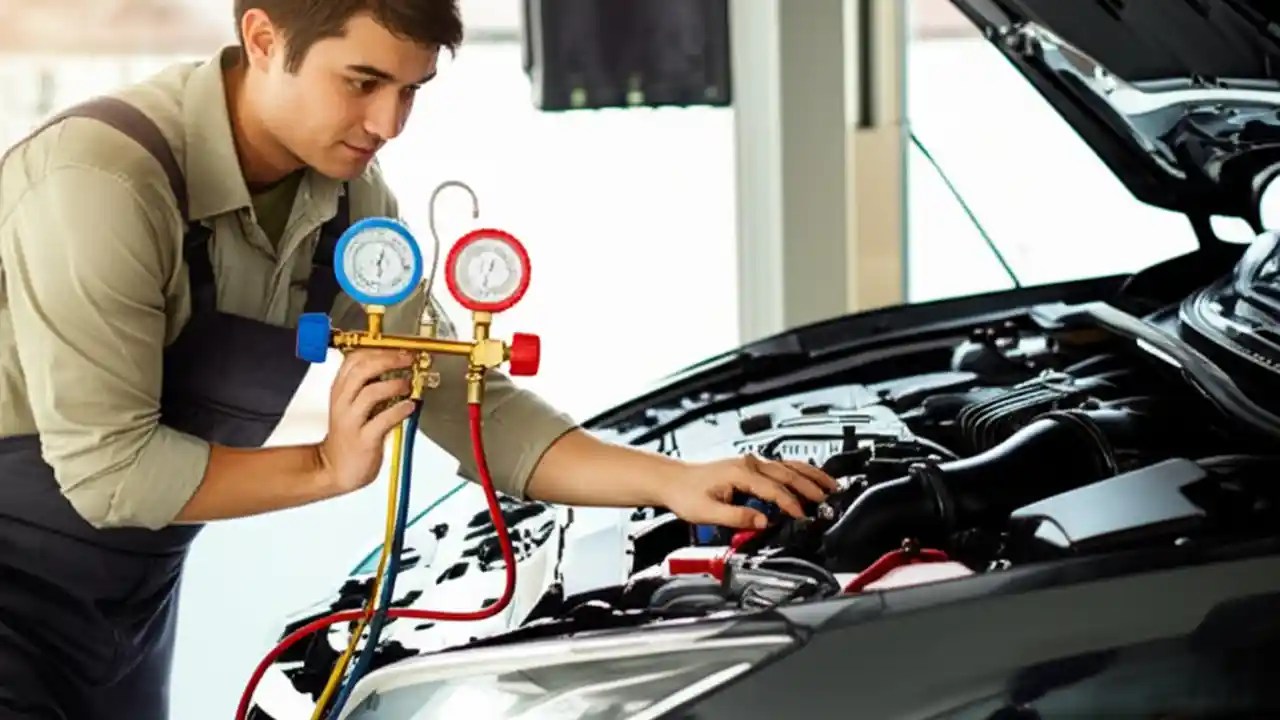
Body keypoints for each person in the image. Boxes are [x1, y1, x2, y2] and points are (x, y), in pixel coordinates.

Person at [0, 1, 837, 717]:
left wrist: (669, 480)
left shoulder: (350, 204)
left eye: (412, 92)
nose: (388, 125)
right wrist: (327, 467)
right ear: (261, 38)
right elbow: (110, 476)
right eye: (362, 83)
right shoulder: (107, 183)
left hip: (127, 606)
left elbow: (465, 399)